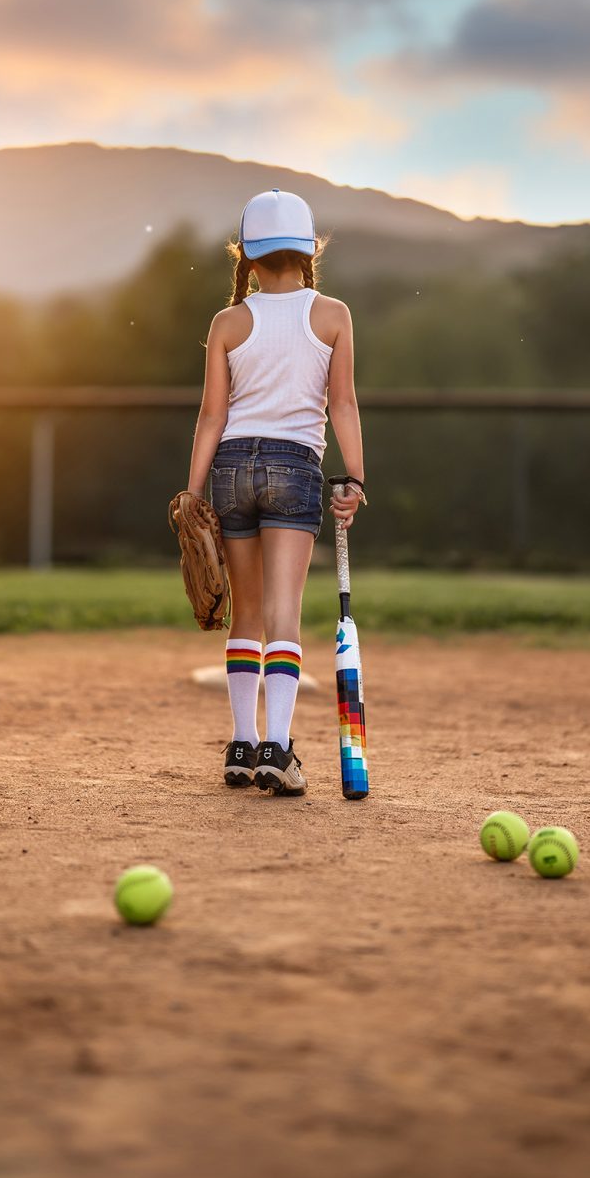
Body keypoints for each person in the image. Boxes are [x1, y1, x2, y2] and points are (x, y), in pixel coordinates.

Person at [184, 189, 366, 795]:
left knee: (247, 612)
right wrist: (355, 479)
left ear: (248, 257)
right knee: (284, 615)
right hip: (294, 466)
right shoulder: (333, 315)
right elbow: (341, 403)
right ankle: (277, 750)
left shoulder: (228, 322)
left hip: (232, 467)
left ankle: (240, 745)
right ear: (310, 251)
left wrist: (191, 495)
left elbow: (211, 416)